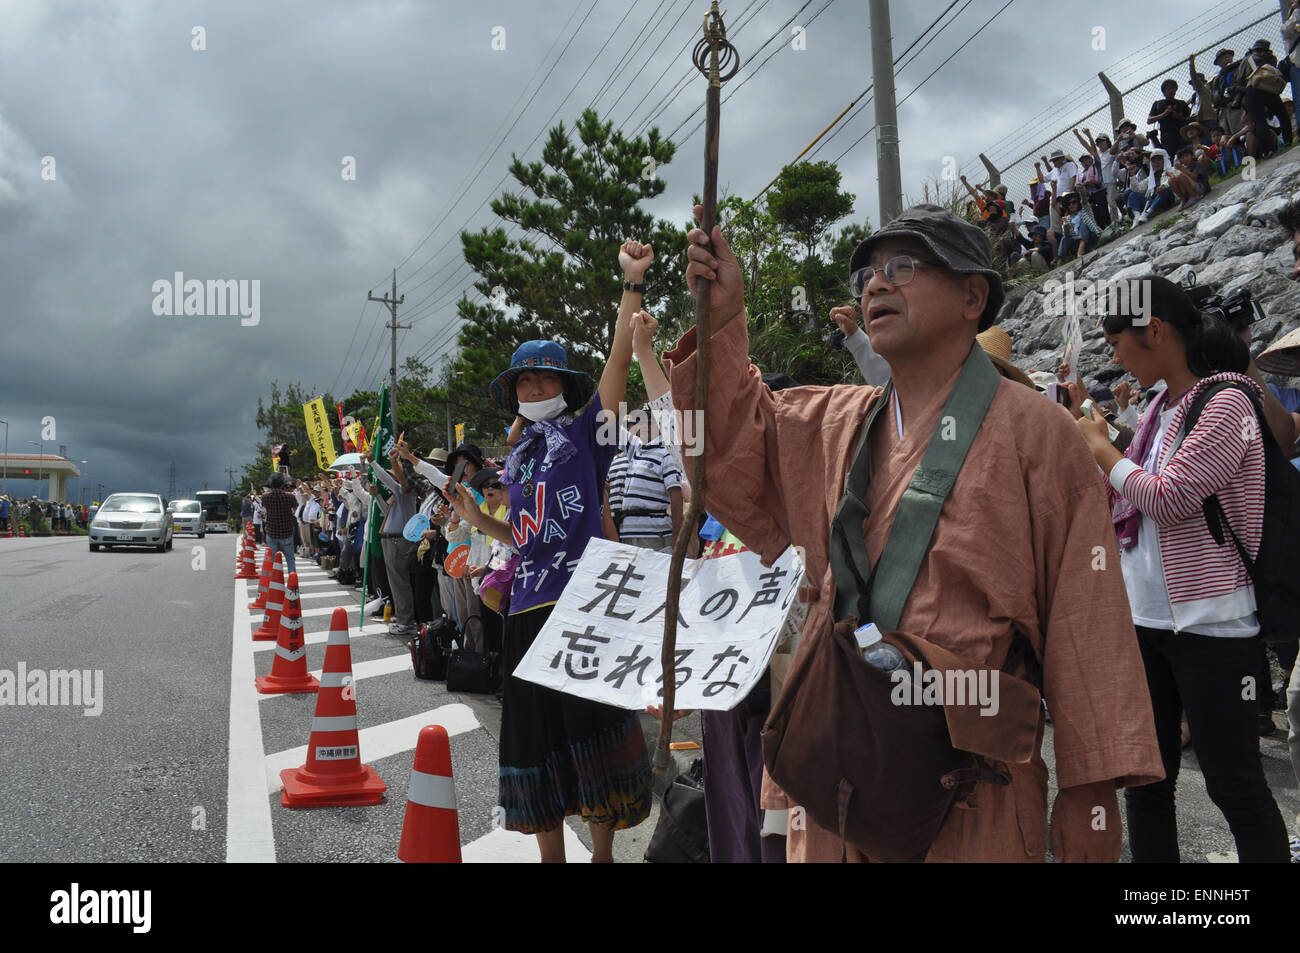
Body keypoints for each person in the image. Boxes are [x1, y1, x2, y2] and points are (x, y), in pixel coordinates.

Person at [665, 203, 1162, 862]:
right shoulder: (835, 418)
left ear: (971, 294)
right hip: (837, 754)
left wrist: (1089, 789)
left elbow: (1087, 618)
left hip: (967, 772)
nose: (876, 283)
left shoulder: (1037, 431)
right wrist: (723, 316)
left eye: (903, 265)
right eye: (868, 273)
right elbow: (728, 448)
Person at [445, 238, 656, 863]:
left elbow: (618, 362)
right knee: (535, 742)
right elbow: (525, 539)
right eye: (524, 379)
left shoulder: (589, 433)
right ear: (514, 393)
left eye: (543, 375)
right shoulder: (518, 457)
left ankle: (601, 856)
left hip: (584, 605)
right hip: (526, 613)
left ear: (563, 383)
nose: (533, 385)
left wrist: (632, 282)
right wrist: (479, 517)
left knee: (595, 730)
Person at [1075, 275, 1290, 863]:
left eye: (1118, 341)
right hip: (1146, 619)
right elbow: (1125, 499)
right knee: (1147, 782)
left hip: (1212, 624)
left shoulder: (1228, 402)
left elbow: (1168, 498)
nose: (1115, 356)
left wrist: (1101, 448)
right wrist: (1094, 446)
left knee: (1235, 786)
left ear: (1156, 330)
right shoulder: (1159, 410)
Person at [260, 474, 298, 575]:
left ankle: (270, 583)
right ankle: (292, 584)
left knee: (271, 561)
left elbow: (263, 511)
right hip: (287, 532)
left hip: (272, 532)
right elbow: (295, 509)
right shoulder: (290, 496)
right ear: (283, 484)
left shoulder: (265, 497)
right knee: (290, 559)